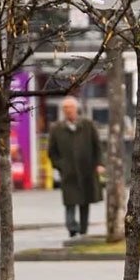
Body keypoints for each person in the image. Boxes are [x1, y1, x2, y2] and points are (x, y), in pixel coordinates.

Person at [48, 97, 103, 237]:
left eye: (70, 107)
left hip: (86, 170)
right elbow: (52, 152)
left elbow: (97, 146)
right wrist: (60, 165)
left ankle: (83, 230)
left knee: (85, 201)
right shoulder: (57, 129)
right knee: (70, 201)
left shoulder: (87, 125)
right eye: (65, 108)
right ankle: (72, 226)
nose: (68, 111)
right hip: (69, 171)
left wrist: (99, 163)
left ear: (76, 109)